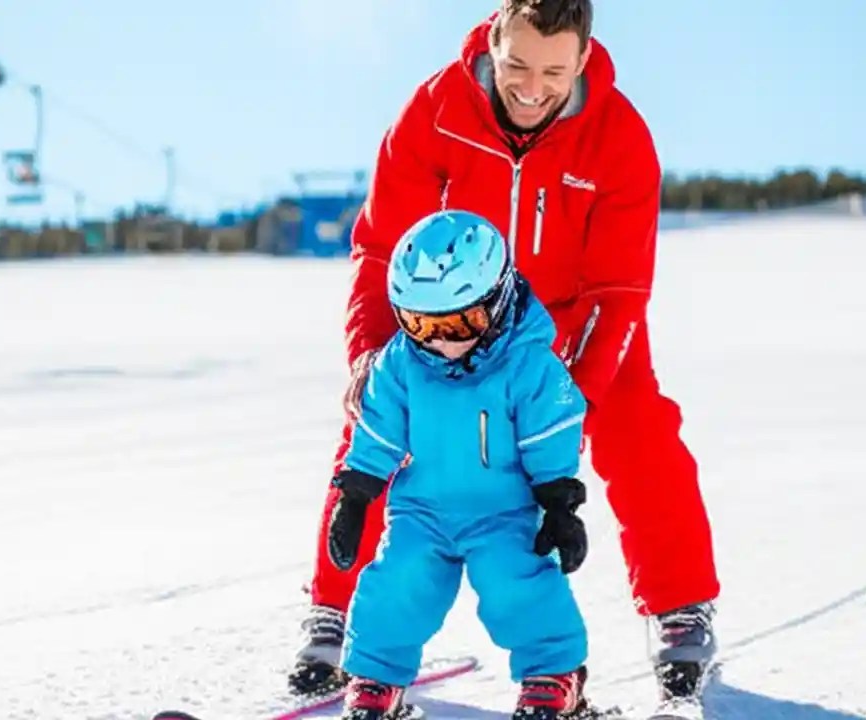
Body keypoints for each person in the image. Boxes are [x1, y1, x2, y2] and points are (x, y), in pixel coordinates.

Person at [290, 0, 721, 709]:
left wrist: (567, 402)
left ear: (582, 58)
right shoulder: (434, 113)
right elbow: (381, 246)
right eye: (516, 64)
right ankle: (334, 612)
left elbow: (620, 289)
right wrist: (369, 351)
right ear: (492, 45)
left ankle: (681, 609)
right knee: (376, 427)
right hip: (451, 317)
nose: (531, 86)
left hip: (575, 328)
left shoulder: (618, 135)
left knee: (639, 428)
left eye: (553, 70)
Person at [329, 209, 593, 720]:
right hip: (422, 511)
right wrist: (356, 493)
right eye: (421, 323)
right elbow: (378, 428)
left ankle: (556, 672)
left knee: (517, 582)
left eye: (459, 323)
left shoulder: (529, 365)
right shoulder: (401, 363)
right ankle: (377, 676)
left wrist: (560, 506)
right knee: (396, 581)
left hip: (505, 512)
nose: (440, 341)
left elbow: (552, 434)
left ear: (498, 299)